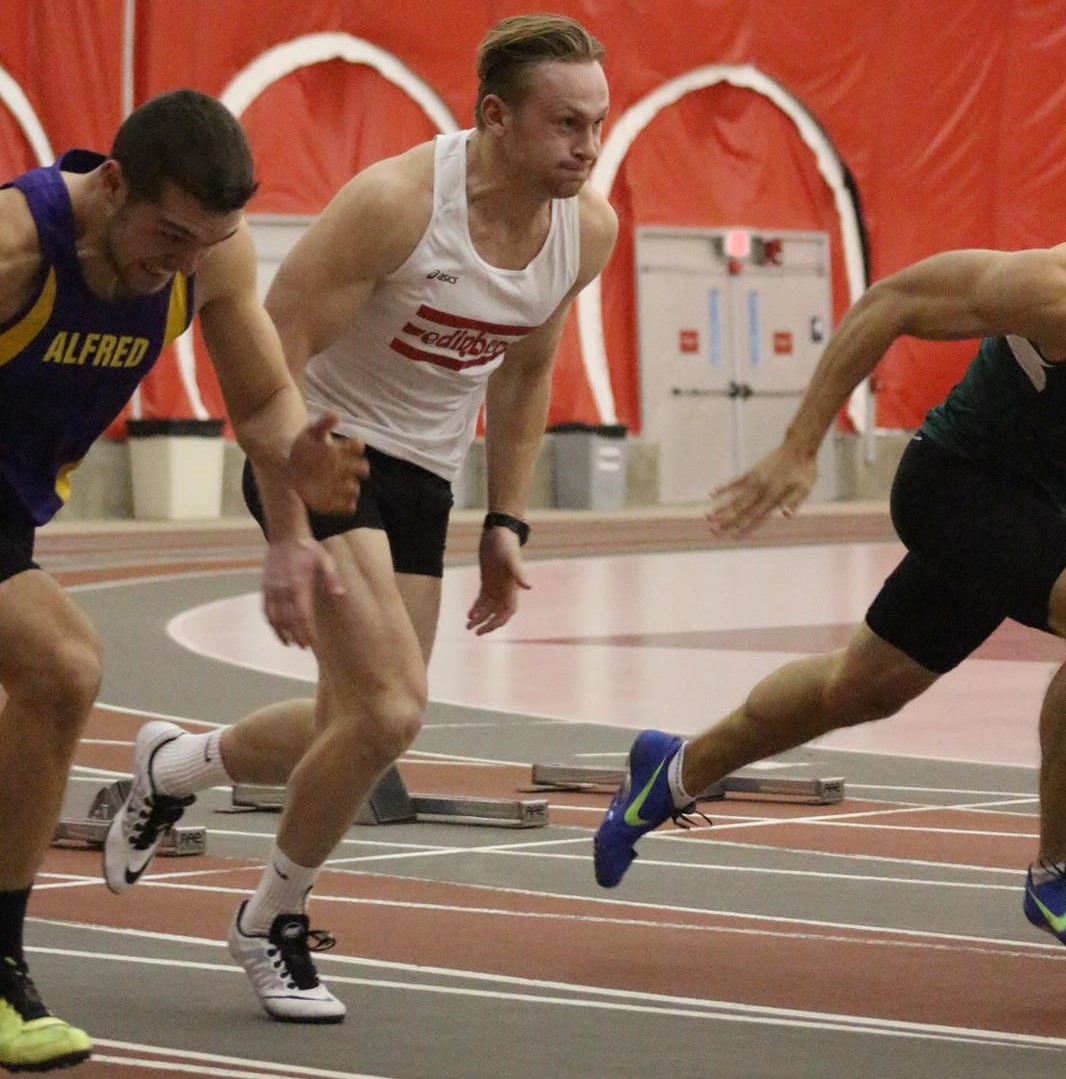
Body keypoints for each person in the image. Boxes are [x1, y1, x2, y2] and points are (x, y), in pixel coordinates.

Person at [104, 14, 618, 1024]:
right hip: (322, 446)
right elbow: (268, 355)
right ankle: (269, 920)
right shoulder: (394, 205)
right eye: (566, 124)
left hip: (423, 474)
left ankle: (173, 764)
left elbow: (525, 371)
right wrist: (289, 517)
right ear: (495, 117)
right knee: (388, 709)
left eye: (599, 123)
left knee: (360, 723)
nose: (588, 147)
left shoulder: (583, 229)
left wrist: (506, 517)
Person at [0, 88, 366, 1072]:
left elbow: (260, 403)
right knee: (65, 663)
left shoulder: (206, 260)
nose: (184, 261)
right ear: (112, 183)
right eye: (168, 233)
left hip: (10, 508)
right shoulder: (16, 247)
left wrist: (294, 517)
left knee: (57, 675)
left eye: (207, 240)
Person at [592, 242, 1066, 944]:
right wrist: (800, 444)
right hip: (958, 487)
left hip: (1043, 515)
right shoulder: (1049, 287)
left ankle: (675, 769)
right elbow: (890, 301)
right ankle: (1057, 870)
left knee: (861, 688)